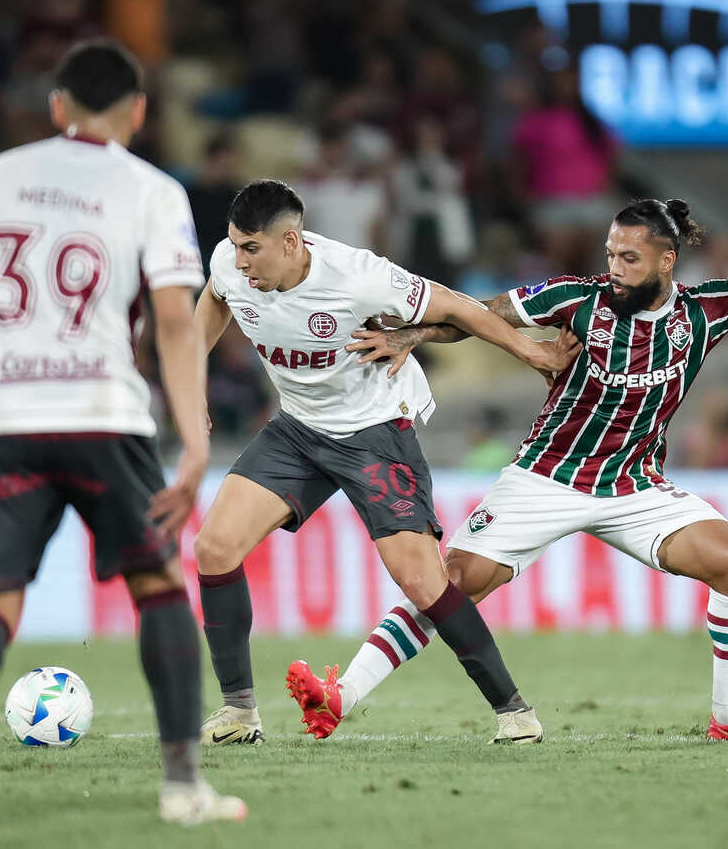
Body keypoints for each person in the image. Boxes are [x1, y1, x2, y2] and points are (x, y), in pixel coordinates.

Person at [289, 199, 728, 742]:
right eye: (611, 254)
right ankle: (340, 697)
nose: (615, 268)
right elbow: (479, 313)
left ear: (666, 261)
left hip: (635, 486)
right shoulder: (577, 297)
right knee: (453, 585)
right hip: (545, 477)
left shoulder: (704, 309)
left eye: (630, 258)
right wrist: (412, 335)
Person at [0, 39, 246, 829]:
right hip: (103, 413)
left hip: (0, 419)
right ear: (138, 111)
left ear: (57, 105)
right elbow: (175, 318)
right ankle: (182, 785)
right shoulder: (152, 190)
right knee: (157, 585)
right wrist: (194, 440)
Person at [190, 179, 577, 748]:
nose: (240, 260)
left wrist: (531, 351)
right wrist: (188, 374)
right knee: (214, 547)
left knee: (422, 581)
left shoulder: (357, 276)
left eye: (252, 248)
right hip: (298, 427)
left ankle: (514, 712)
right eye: (235, 246)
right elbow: (215, 299)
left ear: (291, 242)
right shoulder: (229, 264)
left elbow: (457, 306)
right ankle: (239, 712)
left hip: (374, 431)